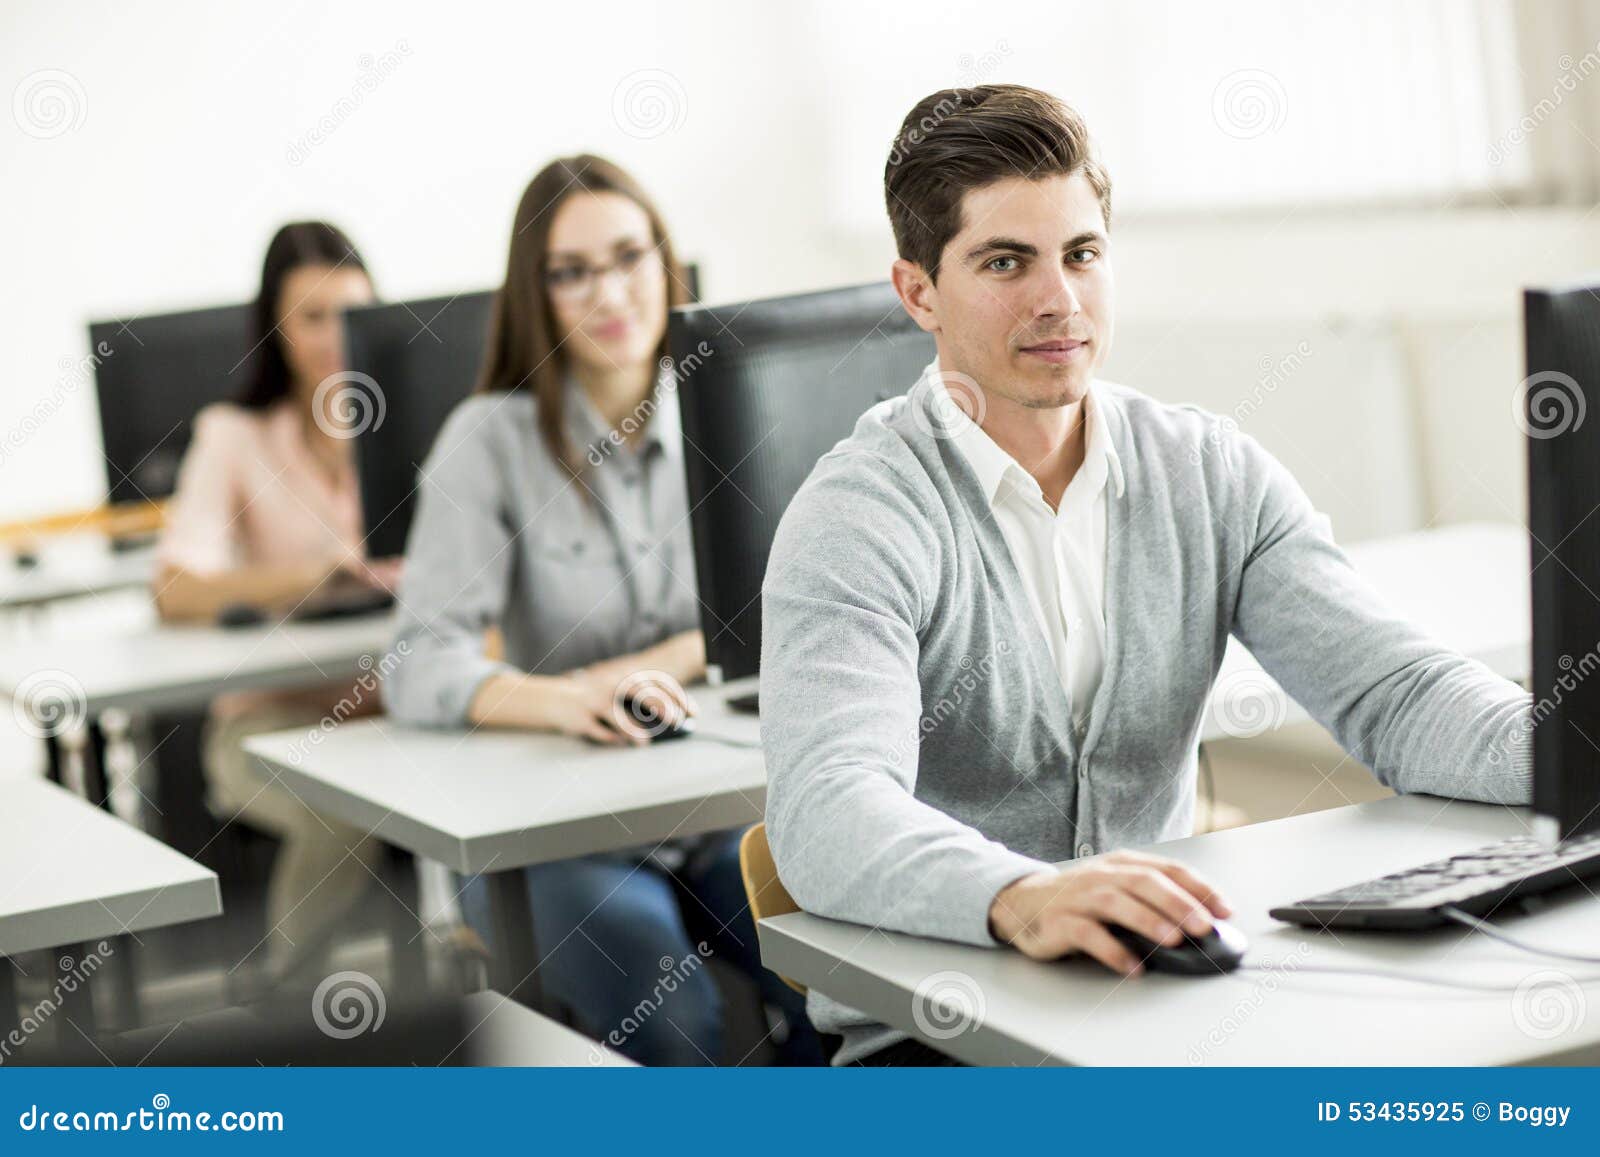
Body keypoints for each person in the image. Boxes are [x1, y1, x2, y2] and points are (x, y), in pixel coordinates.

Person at [760, 85, 1536, 1066]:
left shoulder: (1208, 472)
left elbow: (1400, 694)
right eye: (1006, 262)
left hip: (1160, 1009)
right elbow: (828, 808)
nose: (1059, 300)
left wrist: (1574, 750)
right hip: (936, 1037)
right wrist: (1019, 895)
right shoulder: (859, 516)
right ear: (917, 291)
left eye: (1081, 254)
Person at [385, 155, 820, 1066]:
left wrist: (662, 658)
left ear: (669, 264)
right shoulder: (489, 440)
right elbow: (419, 660)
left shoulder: (736, 407)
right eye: (571, 270)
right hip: (558, 834)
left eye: (630, 255)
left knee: (840, 985)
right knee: (670, 1008)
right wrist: (567, 697)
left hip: (717, 812)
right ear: (533, 296)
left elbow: (794, 609)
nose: (610, 289)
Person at [154, 220, 402, 983]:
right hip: (269, 724)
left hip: (399, 709)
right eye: (312, 317)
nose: (335, 338)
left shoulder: (421, 417)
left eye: (351, 314)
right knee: (343, 812)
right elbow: (176, 588)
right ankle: (282, 1001)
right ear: (277, 329)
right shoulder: (234, 436)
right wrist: (316, 573)